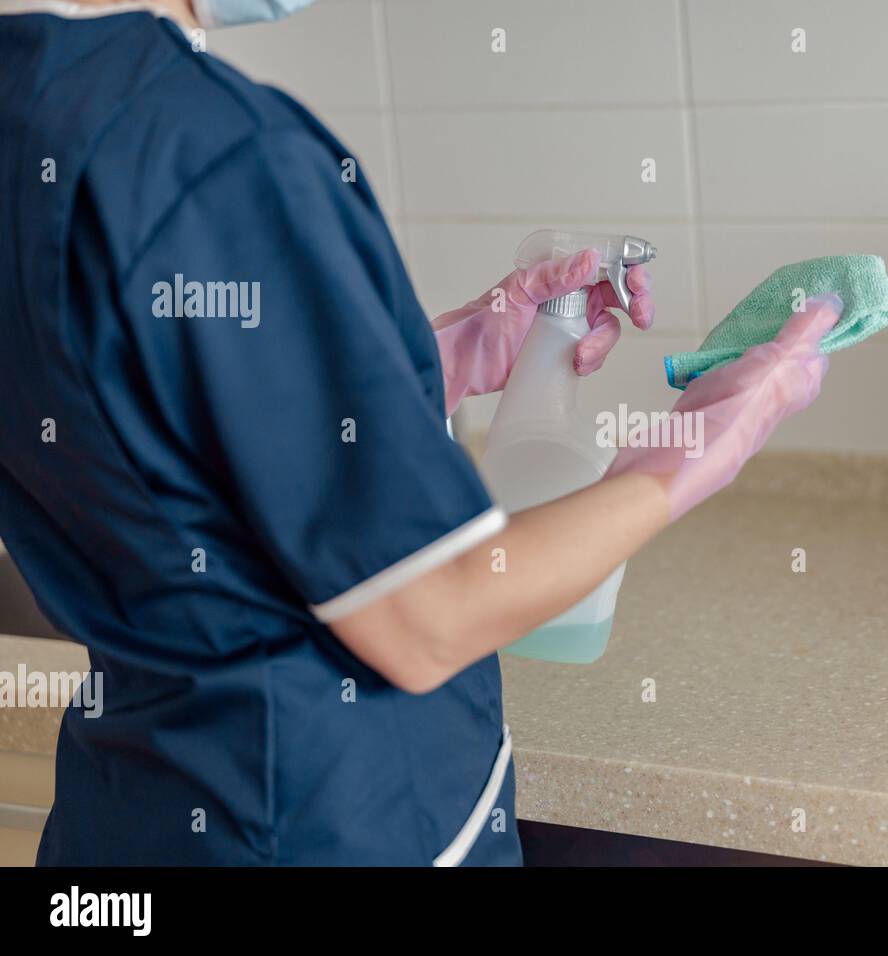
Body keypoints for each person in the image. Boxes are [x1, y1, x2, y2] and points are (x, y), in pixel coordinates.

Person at [0, 0, 838, 865]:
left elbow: (144, 430)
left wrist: (418, 361)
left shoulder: (30, 110)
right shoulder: (209, 149)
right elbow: (430, 618)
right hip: (321, 821)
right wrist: (696, 451)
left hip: (127, 825)